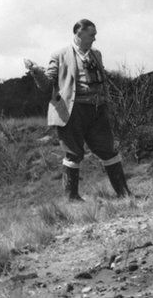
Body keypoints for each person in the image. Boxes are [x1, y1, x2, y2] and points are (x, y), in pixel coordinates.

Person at [26, 19, 131, 202]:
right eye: (92, 35)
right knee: (73, 153)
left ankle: (124, 194)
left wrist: (107, 103)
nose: (95, 38)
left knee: (109, 150)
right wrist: (36, 71)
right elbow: (46, 84)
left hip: (98, 110)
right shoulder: (60, 54)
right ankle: (72, 198)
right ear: (78, 33)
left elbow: (103, 80)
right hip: (72, 111)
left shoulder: (96, 54)